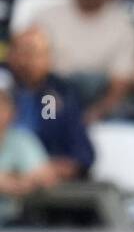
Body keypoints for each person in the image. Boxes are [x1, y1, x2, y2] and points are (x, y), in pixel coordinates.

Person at [31, 0, 134, 121]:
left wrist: (95, 113)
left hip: (100, 97)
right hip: (53, 94)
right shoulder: (45, 17)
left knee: (124, 113)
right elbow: (33, 72)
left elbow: (120, 83)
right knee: (40, 112)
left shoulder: (125, 23)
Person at [4, 26, 95, 180]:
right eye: (21, 52)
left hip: (43, 180)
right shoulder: (3, 85)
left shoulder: (55, 95)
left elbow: (81, 154)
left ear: (48, 58)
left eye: (34, 53)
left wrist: (43, 169)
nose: (26, 60)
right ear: (10, 54)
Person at [0, 70, 57, 224]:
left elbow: (46, 177)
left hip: (15, 228)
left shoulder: (22, 140)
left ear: (13, 110)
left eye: (2, 102)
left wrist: (13, 183)